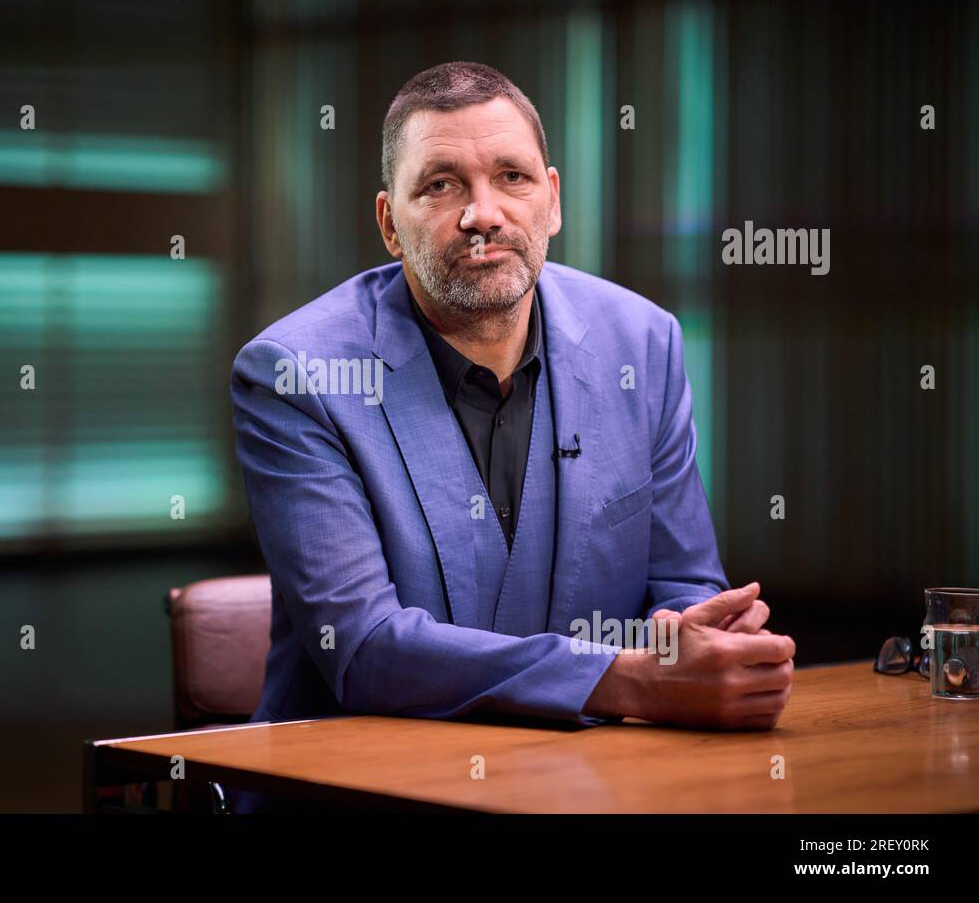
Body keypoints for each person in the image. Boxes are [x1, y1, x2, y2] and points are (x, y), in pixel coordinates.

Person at [226, 61, 795, 812]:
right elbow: (362, 649)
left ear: (552, 200)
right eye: (441, 185)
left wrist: (692, 637)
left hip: (596, 784)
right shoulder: (295, 374)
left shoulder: (641, 343)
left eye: (512, 178)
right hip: (365, 793)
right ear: (389, 223)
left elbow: (686, 582)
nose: (482, 213)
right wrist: (630, 678)